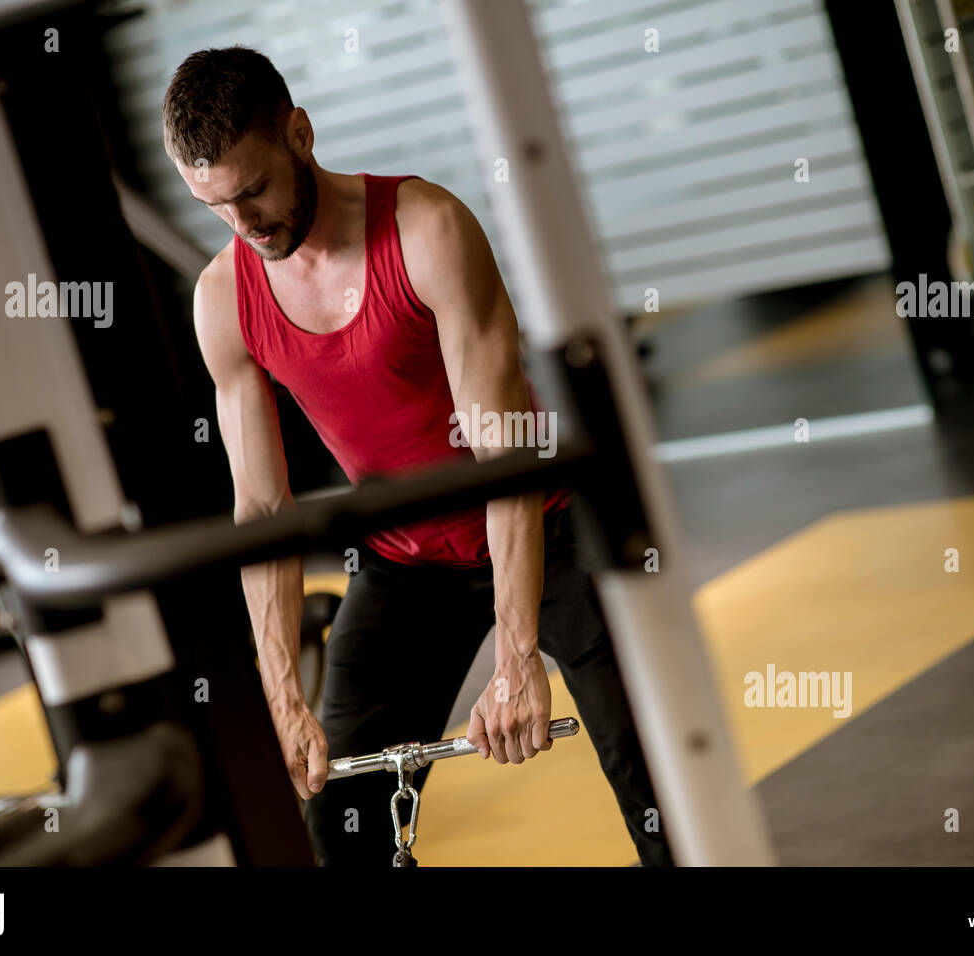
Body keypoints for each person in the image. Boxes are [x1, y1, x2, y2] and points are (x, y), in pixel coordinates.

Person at [162, 45, 672, 866]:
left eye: (253, 189)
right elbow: (261, 509)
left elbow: (506, 456)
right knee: (339, 825)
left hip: (548, 521)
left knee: (659, 786)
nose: (244, 225)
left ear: (299, 133)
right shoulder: (223, 299)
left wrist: (515, 660)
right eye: (214, 205)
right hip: (406, 561)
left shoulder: (427, 229)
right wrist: (282, 694)